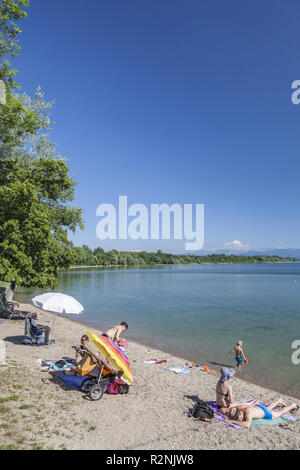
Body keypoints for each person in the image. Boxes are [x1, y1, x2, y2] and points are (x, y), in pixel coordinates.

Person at [226, 398, 299, 429]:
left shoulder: (248, 413)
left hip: (266, 414)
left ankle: (293, 405)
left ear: (239, 413)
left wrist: (232, 421)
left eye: (239, 418)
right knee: (268, 408)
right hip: (259, 407)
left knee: (280, 413)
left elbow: (247, 425)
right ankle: (278, 401)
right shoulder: (240, 408)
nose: (240, 420)